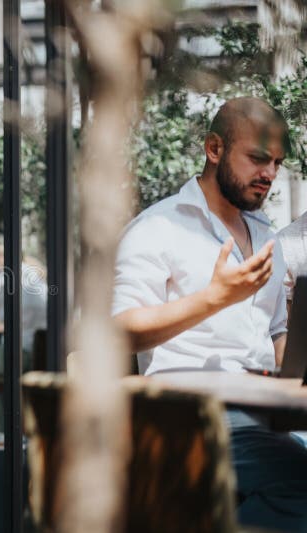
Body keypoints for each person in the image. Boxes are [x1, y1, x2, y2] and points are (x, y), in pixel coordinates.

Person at [113, 96, 307, 531]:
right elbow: (119, 332)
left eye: (277, 163)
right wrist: (215, 298)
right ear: (214, 149)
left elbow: (275, 338)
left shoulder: (266, 236)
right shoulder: (158, 228)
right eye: (258, 159)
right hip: (187, 417)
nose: (270, 175)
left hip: (264, 412)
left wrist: (299, 365)